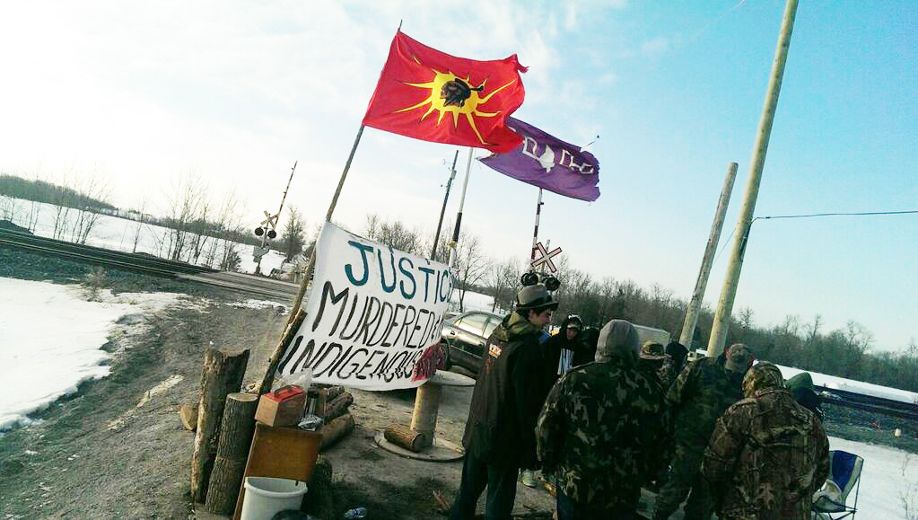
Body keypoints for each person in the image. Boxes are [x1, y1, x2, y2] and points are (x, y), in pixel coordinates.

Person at [536, 320, 668, 519]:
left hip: (576, 486)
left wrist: (549, 464)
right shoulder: (651, 391)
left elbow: (545, 427)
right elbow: (662, 444)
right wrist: (651, 476)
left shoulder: (574, 379)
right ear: (634, 349)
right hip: (622, 493)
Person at [450, 283, 558, 520]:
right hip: (502, 443)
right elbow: (526, 406)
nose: (549, 320)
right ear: (530, 313)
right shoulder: (527, 347)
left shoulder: (498, 334)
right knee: (497, 508)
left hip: (478, 432)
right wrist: (531, 448)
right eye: (546, 314)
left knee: (466, 495)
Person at [703, 362, 830, 519]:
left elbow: (714, 464)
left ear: (751, 384)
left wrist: (723, 498)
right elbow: (822, 470)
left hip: (746, 512)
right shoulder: (811, 420)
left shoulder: (742, 411)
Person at [653, 343, 753, 520]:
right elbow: (674, 397)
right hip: (688, 443)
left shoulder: (749, 384)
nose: (739, 353)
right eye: (736, 350)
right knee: (673, 491)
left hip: (720, 454)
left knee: (702, 504)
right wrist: (666, 433)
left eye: (745, 352)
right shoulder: (703, 367)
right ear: (726, 352)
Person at [541, 314, 584, 384]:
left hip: (568, 384)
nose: (572, 333)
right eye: (570, 330)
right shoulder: (552, 342)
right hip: (548, 382)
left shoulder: (579, 348)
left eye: (575, 331)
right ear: (565, 328)